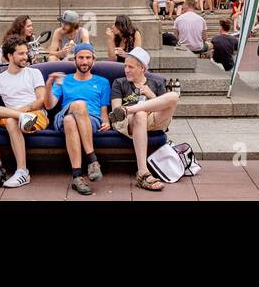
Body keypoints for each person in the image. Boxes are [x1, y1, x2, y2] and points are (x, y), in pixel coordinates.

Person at [0, 35, 52, 189]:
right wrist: (17, 115)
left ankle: (22, 171)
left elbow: (41, 100)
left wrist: (21, 111)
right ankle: (19, 117)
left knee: (12, 121)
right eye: (21, 53)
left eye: (26, 53)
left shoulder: (34, 73)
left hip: (35, 115)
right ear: (10, 56)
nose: (26, 57)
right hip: (14, 116)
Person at [107, 48, 180, 192]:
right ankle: (143, 172)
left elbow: (163, 107)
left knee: (173, 96)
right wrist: (135, 110)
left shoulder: (156, 83)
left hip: (153, 119)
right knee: (139, 114)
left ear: (142, 68)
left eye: (130, 67)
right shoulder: (119, 83)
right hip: (128, 120)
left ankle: (132, 109)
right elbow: (116, 111)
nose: (126, 70)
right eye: (125, 66)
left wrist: (151, 95)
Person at [48, 43, 111, 195]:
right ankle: (92, 160)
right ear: (75, 59)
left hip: (92, 119)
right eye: (81, 58)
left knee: (71, 120)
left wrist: (107, 121)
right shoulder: (65, 79)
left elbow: (103, 109)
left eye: (88, 58)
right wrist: (49, 83)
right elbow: (49, 105)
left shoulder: (103, 82)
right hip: (63, 115)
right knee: (77, 106)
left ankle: (77, 176)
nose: (84, 61)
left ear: (93, 60)